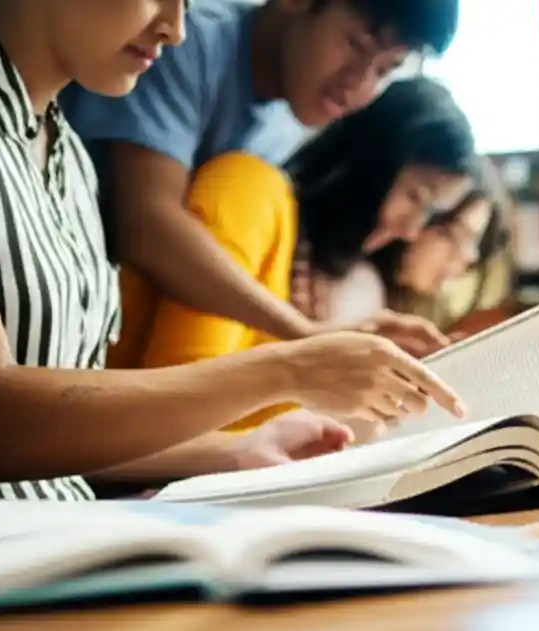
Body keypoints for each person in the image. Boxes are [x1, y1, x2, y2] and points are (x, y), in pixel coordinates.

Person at [0, 0, 463, 501]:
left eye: (385, 69)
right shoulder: (198, 80)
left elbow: (58, 434)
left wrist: (234, 449)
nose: (175, 30)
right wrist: (295, 361)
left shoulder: (68, 158)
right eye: (357, 45)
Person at [61, 0, 460, 352]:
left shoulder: (300, 112)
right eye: (355, 44)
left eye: (386, 70)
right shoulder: (184, 41)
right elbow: (147, 226)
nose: (358, 82)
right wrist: (304, 333)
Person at [109, 78, 495, 429]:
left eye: (431, 215)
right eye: (414, 197)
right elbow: (176, 410)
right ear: (366, 163)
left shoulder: (346, 281)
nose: (412, 231)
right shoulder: (249, 192)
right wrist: (308, 365)